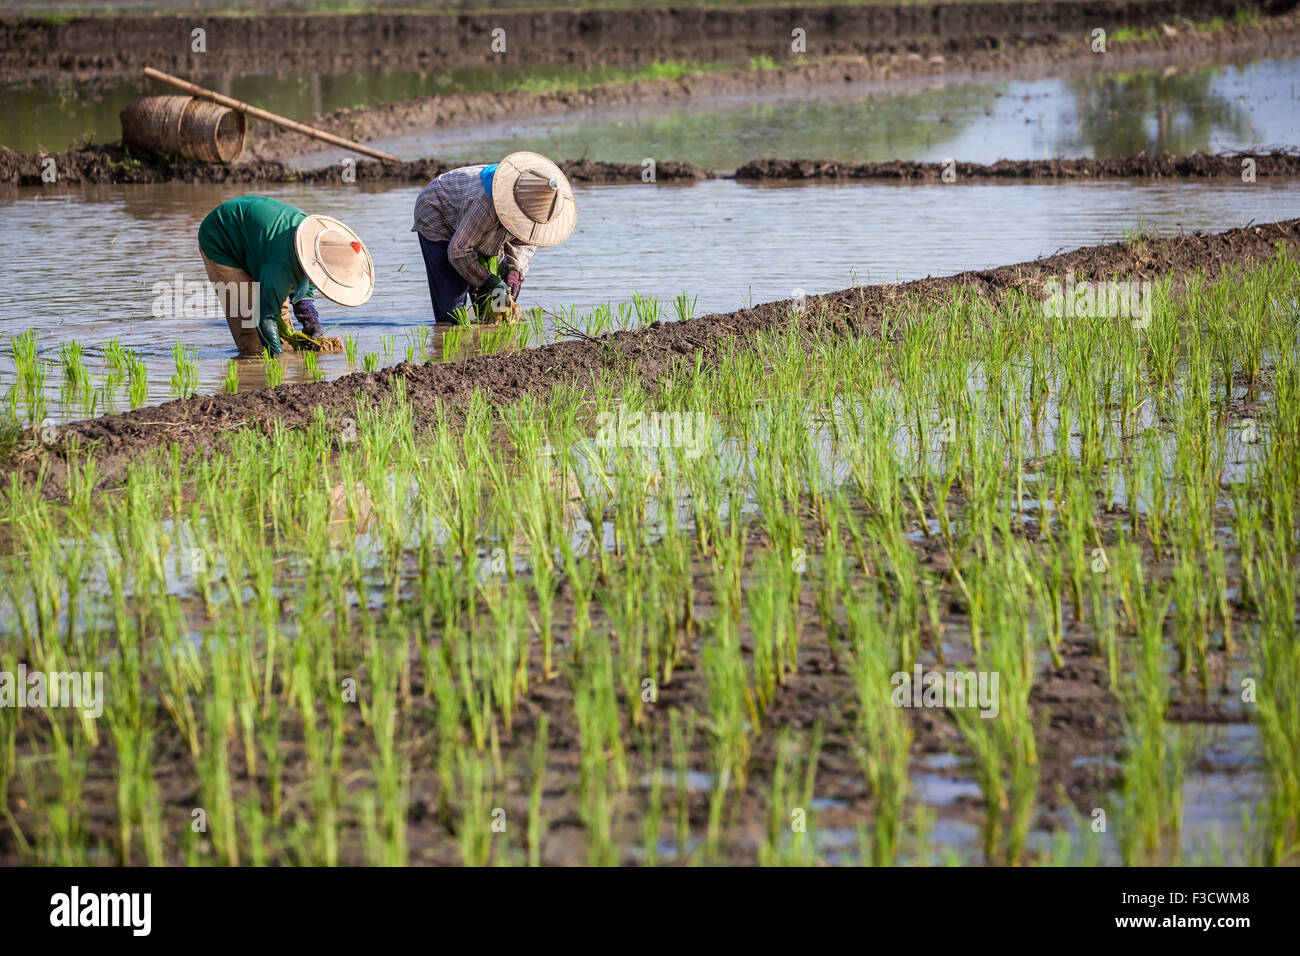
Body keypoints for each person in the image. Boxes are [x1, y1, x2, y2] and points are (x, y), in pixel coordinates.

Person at [411, 151, 576, 324]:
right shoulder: (488, 202)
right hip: (439, 213)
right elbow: (458, 251)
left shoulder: (538, 211)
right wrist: (489, 281)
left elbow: (525, 241)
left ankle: (491, 329)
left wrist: (515, 270)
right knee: (452, 312)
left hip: (481, 230)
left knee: (498, 304)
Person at [198, 195, 374, 355]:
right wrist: (280, 359)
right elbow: (263, 318)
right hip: (221, 238)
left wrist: (310, 320)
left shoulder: (317, 247)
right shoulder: (282, 267)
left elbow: (306, 279)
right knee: (252, 336)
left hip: (262, 246)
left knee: (284, 332)